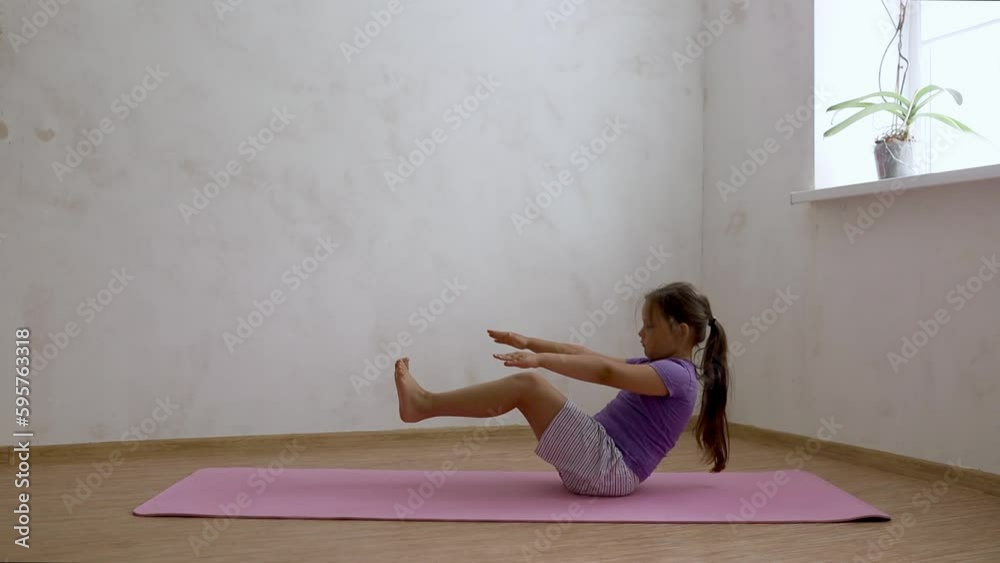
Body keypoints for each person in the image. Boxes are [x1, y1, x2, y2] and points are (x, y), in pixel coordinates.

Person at [393, 281, 730, 497]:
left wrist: (538, 360)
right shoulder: (659, 369)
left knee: (529, 384)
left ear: (682, 332)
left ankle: (423, 404)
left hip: (609, 469)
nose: (641, 333)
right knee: (528, 384)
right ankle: (423, 404)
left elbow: (604, 371)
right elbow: (586, 355)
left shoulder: (677, 376)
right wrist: (529, 341)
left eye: (650, 326)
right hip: (602, 464)